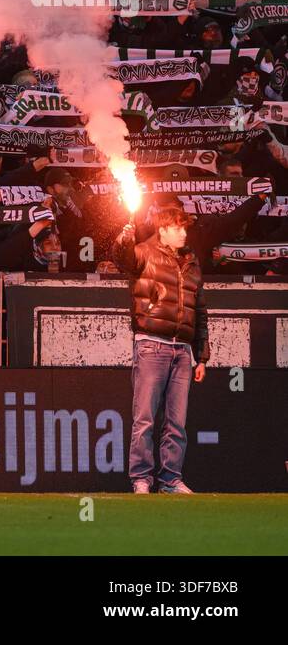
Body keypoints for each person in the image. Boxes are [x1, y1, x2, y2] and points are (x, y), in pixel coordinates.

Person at [113, 206, 209, 495]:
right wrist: (122, 240)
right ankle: (141, 479)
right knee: (144, 419)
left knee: (176, 422)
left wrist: (200, 356)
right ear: (163, 230)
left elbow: (200, 310)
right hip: (151, 345)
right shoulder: (142, 252)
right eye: (178, 227)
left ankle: (170, 480)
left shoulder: (191, 261)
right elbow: (122, 259)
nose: (183, 232)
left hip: (182, 352)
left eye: (185, 228)